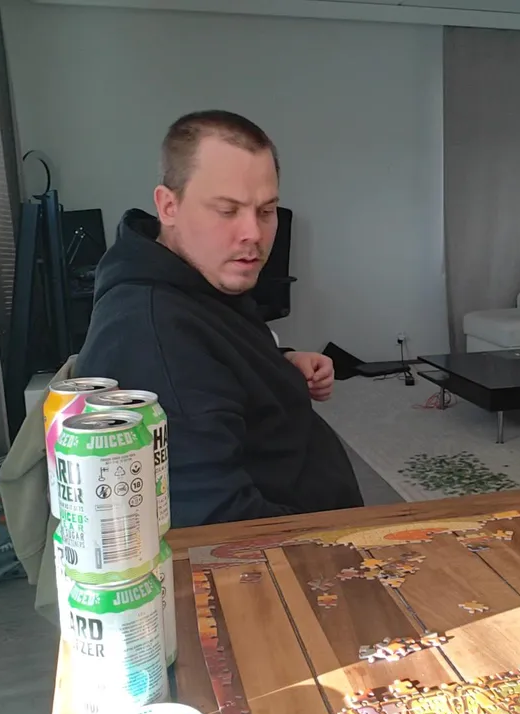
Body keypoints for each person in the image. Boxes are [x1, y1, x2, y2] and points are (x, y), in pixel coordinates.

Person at [75, 110, 365, 527]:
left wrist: (279, 362)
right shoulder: (153, 334)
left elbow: (218, 358)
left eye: (266, 211)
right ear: (168, 206)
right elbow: (219, 526)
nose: (254, 233)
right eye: (227, 211)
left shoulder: (197, 278)